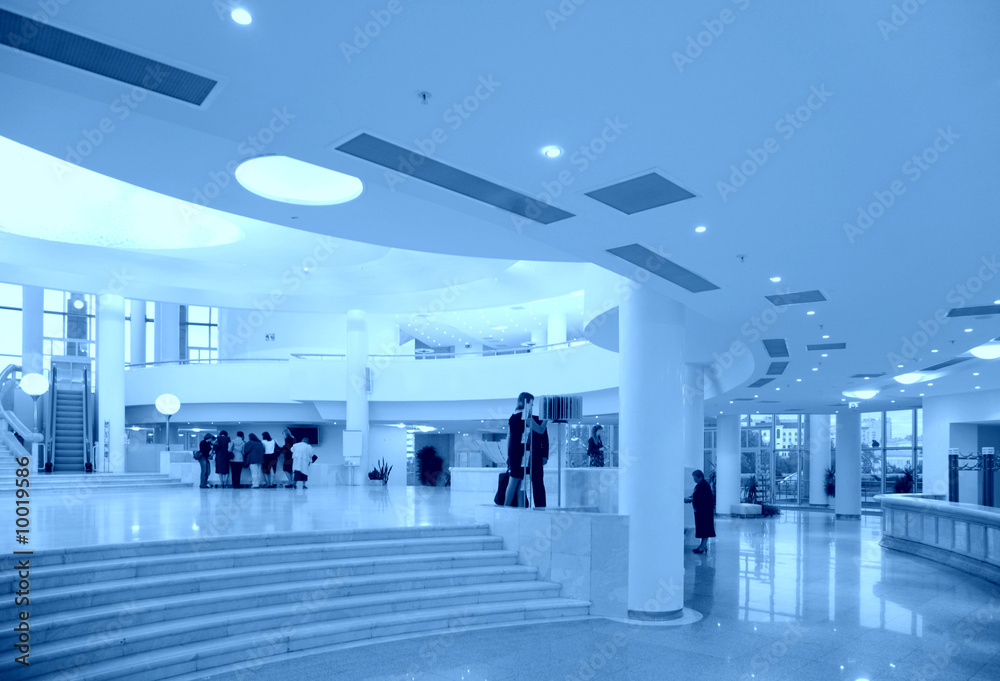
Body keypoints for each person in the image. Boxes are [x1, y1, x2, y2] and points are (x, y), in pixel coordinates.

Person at [504, 392, 546, 507]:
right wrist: (546, 419)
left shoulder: (512, 417)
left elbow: (509, 438)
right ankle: (505, 507)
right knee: (515, 481)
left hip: (514, 452)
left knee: (519, 481)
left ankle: (520, 508)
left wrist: (508, 456)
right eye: (531, 403)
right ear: (526, 402)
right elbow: (540, 430)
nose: (532, 406)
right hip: (522, 453)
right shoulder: (525, 416)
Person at [685, 469, 716, 553]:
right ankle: (703, 546)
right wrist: (690, 498)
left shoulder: (704, 485)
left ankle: (702, 547)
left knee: (705, 529)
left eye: (695, 478)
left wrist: (690, 499)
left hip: (705, 511)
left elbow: (701, 498)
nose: (694, 480)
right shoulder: (700, 484)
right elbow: (696, 495)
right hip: (701, 511)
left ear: (700, 477)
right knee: (703, 529)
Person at [529, 415, 549, 508]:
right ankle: (522, 506)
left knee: (538, 483)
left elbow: (545, 438)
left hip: (536, 456)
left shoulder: (538, 419)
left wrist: (544, 455)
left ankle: (540, 507)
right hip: (522, 455)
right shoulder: (518, 418)